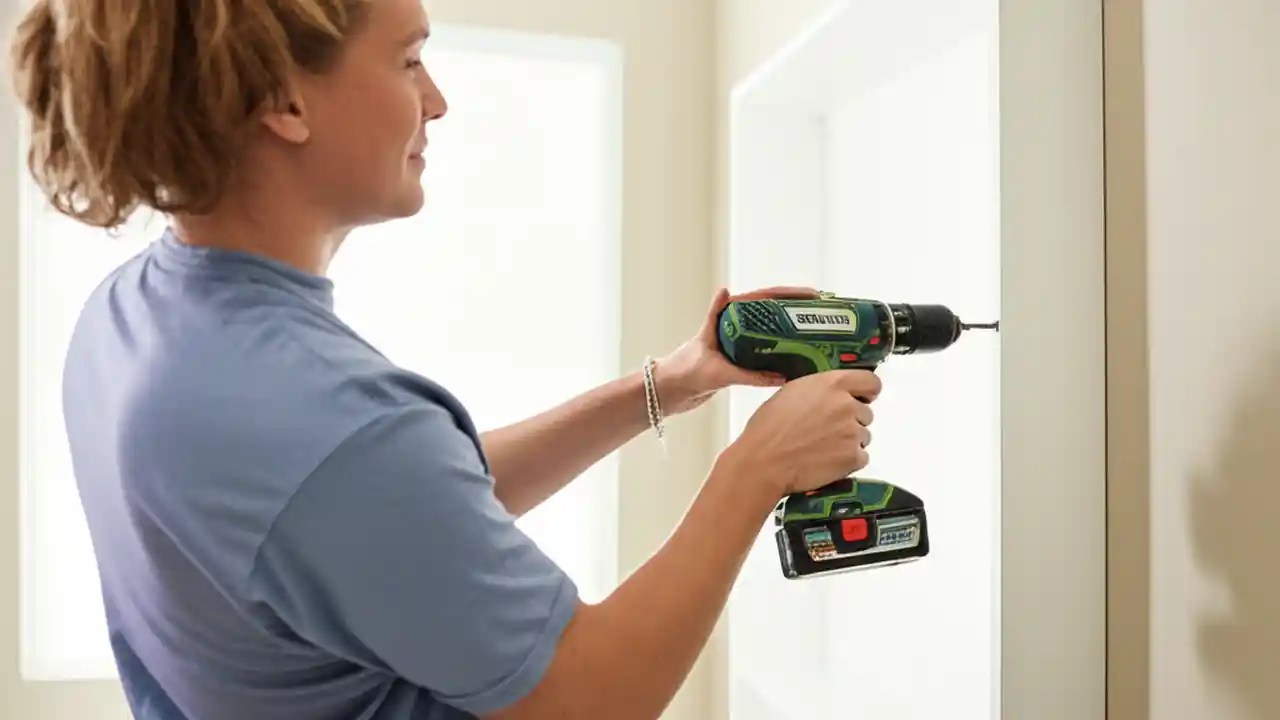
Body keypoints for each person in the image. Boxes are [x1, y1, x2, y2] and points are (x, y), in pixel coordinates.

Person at [10, 0, 880, 718]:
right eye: (408, 60)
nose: (437, 101)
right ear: (284, 100)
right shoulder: (319, 424)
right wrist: (755, 468)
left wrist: (675, 383)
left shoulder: (133, 316)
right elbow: (594, 697)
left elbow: (394, 518)